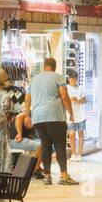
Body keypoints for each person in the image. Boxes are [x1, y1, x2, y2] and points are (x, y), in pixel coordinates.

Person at [26, 57, 77, 185]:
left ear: (44, 66)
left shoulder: (34, 80)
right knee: (59, 146)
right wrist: (71, 113)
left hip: (38, 117)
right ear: (55, 66)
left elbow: (27, 99)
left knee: (46, 146)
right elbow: (64, 96)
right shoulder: (58, 77)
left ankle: (47, 176)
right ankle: (64, 176)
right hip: (54, 116)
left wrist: (27, 115)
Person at [66, 69, 87, 161]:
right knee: (71, 134)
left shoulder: (81, 88)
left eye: (75, 80)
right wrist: (70, 100)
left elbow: (85, 100)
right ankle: (73, 154)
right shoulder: (66, 88)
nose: (73, 82)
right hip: (70, 115)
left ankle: (80, 154)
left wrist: (78, 100)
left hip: (80, 115)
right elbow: (63, 100)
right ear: (68, 79)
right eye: (72, 80)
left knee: (81, 133)